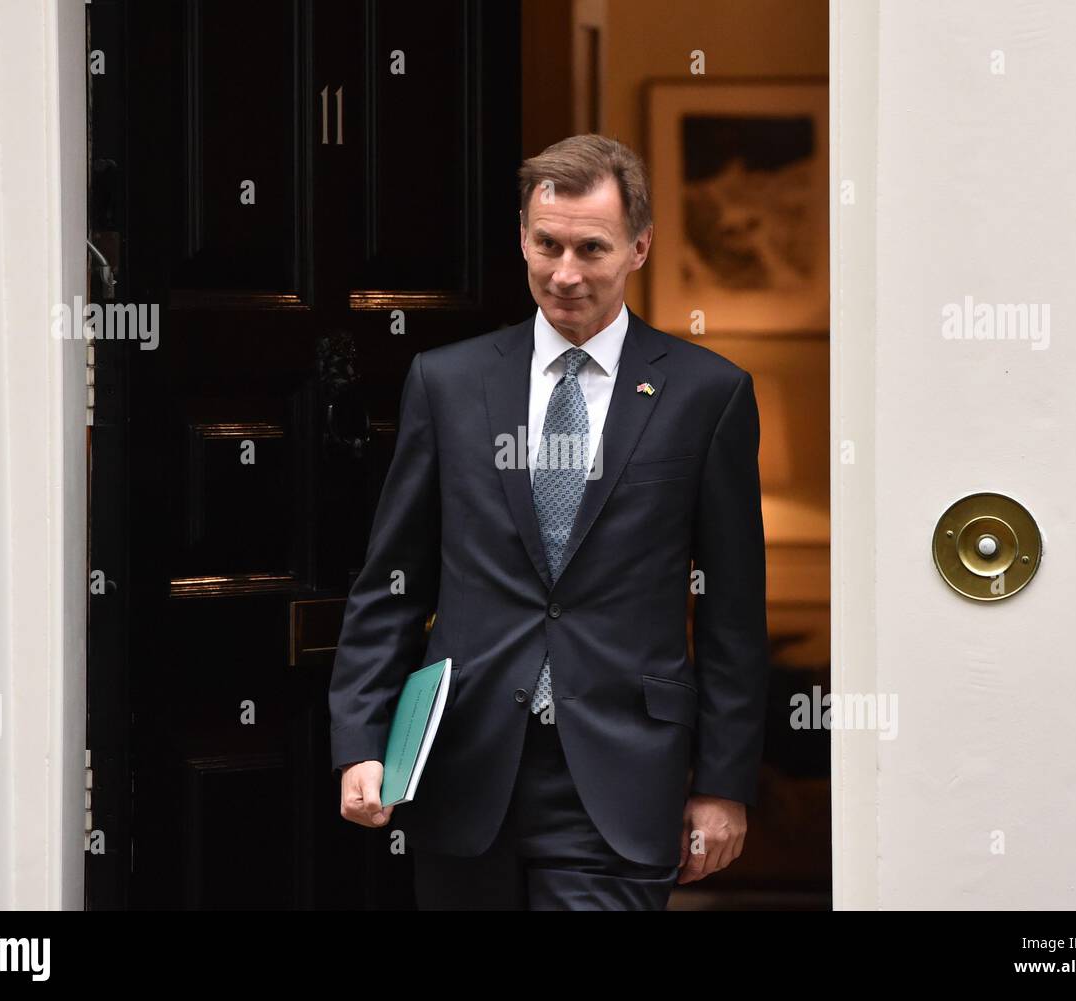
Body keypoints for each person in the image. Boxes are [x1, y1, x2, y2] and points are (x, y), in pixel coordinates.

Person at [329, 133, 768, 910]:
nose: (565, 273)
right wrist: (361, 741)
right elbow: (391, 583)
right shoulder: (447, 381)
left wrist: (724, 785)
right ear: (522, 239)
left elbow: (734, 612)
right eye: (547, 244)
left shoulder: (709, 394)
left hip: (622, 779)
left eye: (591, 248)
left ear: (639, 247)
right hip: (465, 769)